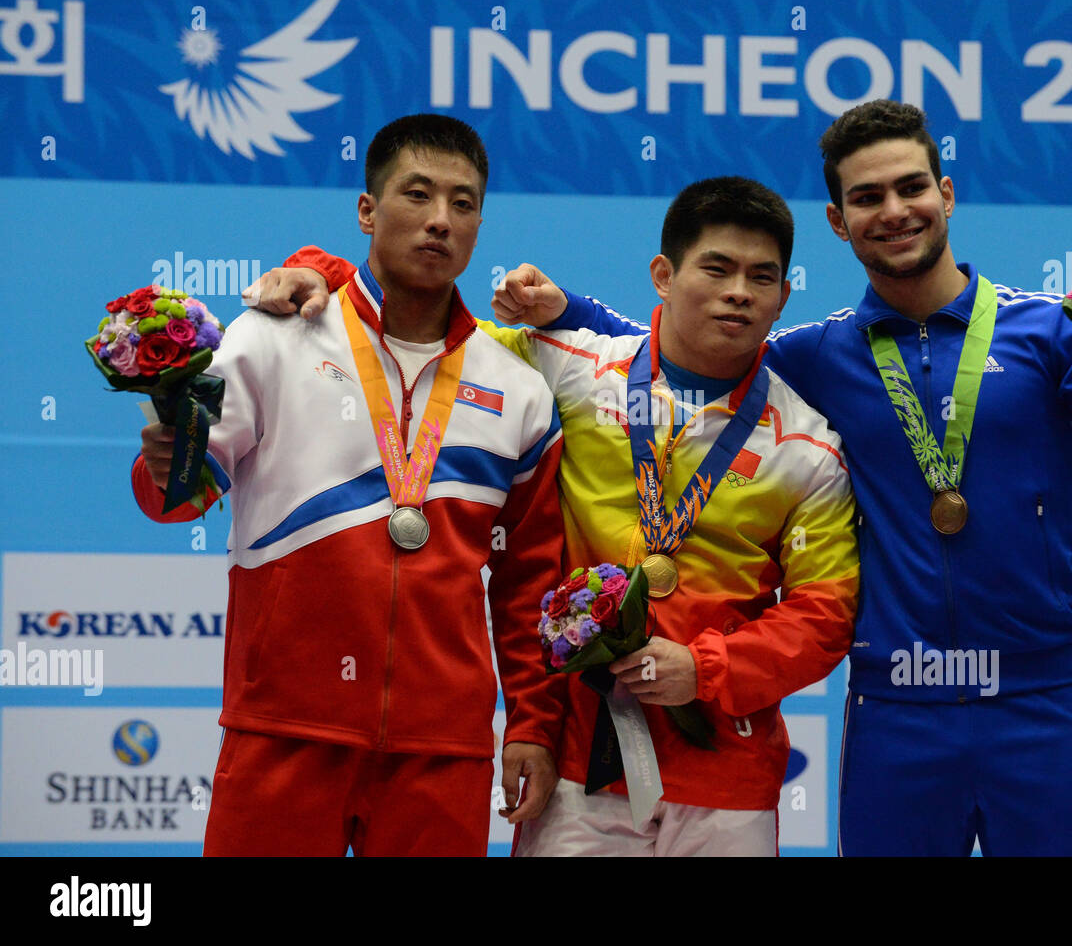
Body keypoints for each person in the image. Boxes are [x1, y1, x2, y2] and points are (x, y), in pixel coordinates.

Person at [488, 100, 1072, 856]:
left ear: (947, 194)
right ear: (838, 219)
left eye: (911, 188)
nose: (894, 211)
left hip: (1039, 700)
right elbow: (681, 345)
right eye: (867, 197)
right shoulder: (815, 356)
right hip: (899, 711)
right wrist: (571, 310)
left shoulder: (1052, 333)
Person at [250, 177, 859, 856]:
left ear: (783, 296)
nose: (740, 291)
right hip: (573, 766)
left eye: (762, 277)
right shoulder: (567, 367)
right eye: (717, 267)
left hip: (725, 772)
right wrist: (323, 268)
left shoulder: (808, 444)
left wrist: (706, 666)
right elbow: (416, 327)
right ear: (663, 274)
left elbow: (824, 612)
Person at [133, 114, 566, 856]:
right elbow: (178, 497)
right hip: (284, 728)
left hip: (443, 746)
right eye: (417, 195)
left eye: (462, 204)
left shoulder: (518, 390)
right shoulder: (273, 334)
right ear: (367, 209)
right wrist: (170, 452)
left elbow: (531, 583)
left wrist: (530, 722)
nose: (439, 221)